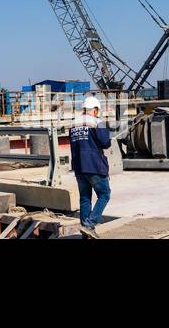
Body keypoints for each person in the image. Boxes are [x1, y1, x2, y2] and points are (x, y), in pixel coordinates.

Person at [69, 95, 111, 238]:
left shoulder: (73, 124)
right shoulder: (97, 122)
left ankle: (85, 234)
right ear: (94, 110)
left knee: (85, 198)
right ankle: (89, 225)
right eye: (97, 110)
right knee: (104, 194)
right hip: (94, 166)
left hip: (79, 166)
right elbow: (105, 143)